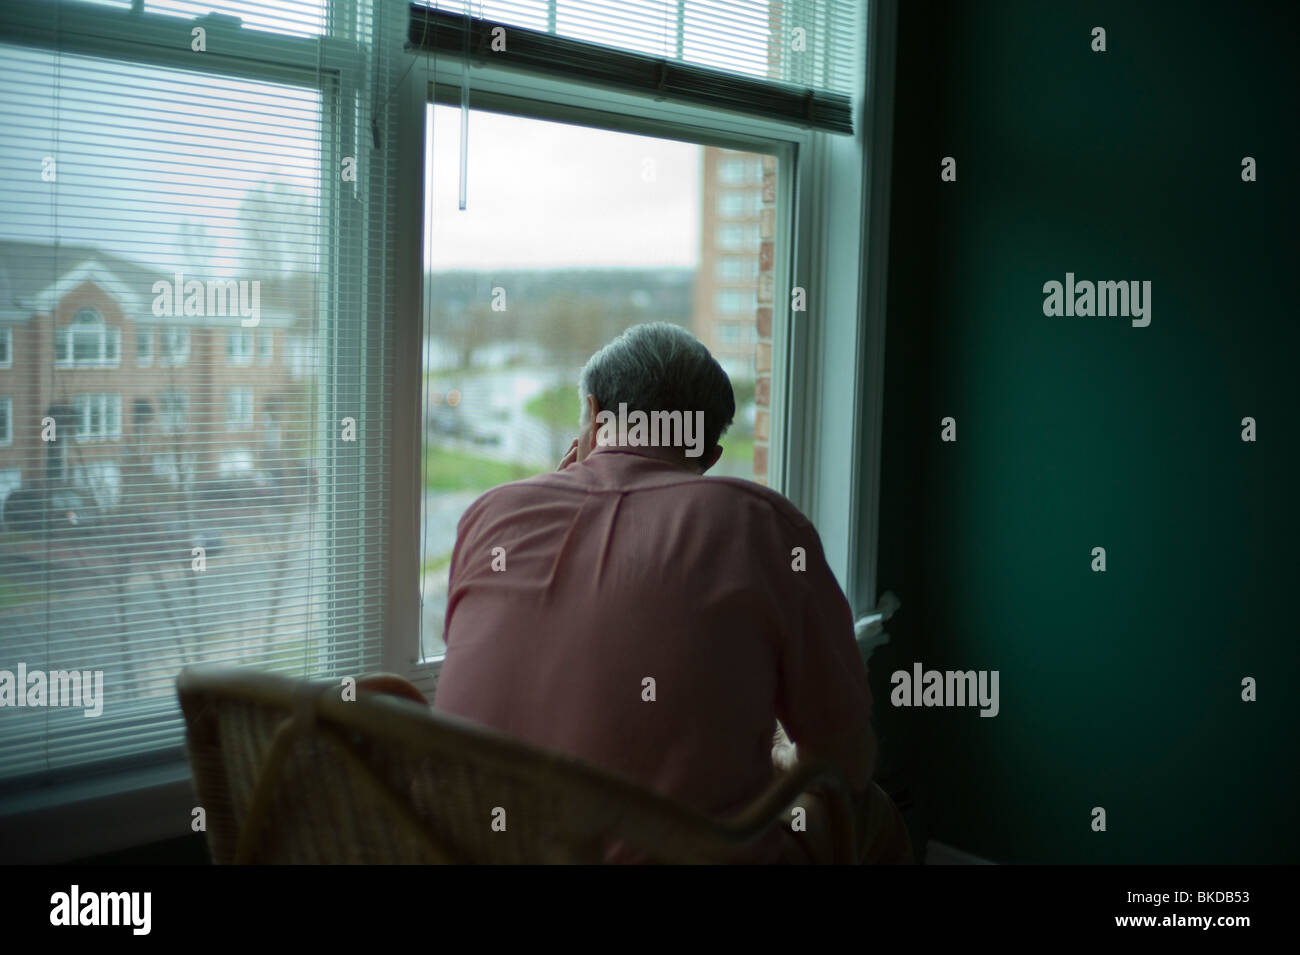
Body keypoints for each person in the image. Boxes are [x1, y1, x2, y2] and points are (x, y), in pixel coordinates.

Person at [431, 322, 909, 863]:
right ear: (708, 454)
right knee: (872, 809)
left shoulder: (492, 513)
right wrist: (777, 758)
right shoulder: (763, 525)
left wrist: (554, 492)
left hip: (465, 847)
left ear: (591, 413)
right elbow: (845, 762)